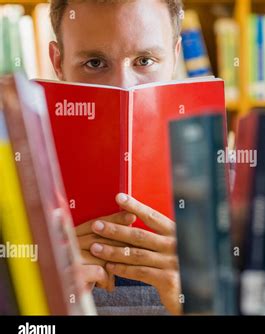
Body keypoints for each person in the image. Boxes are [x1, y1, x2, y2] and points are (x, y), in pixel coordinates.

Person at [48, 0, 184, 315]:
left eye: (145, 60)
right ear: (58, 62)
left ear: (175, 57)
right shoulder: (12, 194)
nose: (122, 86)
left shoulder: (243, 196)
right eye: (95, 63)